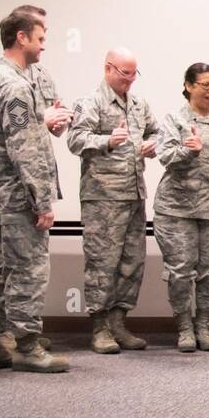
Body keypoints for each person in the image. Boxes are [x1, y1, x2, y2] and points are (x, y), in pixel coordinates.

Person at [0, 10, 68, 373]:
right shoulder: (13, 84)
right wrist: (41, 200)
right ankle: (27, 345)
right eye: (40, 38)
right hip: (16, 197)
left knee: (0, 269)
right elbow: (24, 147)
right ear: (22, 38)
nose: (44, 46)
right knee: (28, 268)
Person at [66, 48, 159, 354]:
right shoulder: (91, 101)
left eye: (134, 73)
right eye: (125, 73)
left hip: (134, 194)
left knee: (132, 262)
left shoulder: (138, 103)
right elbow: (75, 140)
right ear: (108, 68)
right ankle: (100, 327)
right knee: (103, 263)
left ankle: (119, 322)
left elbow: (157, 132)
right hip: (102, 196)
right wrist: (106, 140)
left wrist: (151, 145)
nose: (130, 79)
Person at [153, 63, 209, 352]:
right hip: (178, 209)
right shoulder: (174, 120)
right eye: (205, 85)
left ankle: (203, 325)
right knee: (179, 271)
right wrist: (188, 150)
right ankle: (184, 327)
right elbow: (163, 156)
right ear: (189, 86)